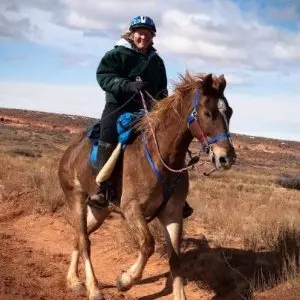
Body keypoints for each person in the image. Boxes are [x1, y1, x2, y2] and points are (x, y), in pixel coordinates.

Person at [89, 15, 193, 218]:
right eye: (139, 33)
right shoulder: (116, 54)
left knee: (168, 143)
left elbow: (162, 91)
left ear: (152, 36)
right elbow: (104, 77)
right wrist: (127, 86)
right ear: (132, 34)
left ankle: (174, 195)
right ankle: (103, 190)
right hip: (118, 105)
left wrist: (164, 108)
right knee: (108, 136)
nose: (143, 37)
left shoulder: (157, 62)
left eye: (147, 33)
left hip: (147, 110)